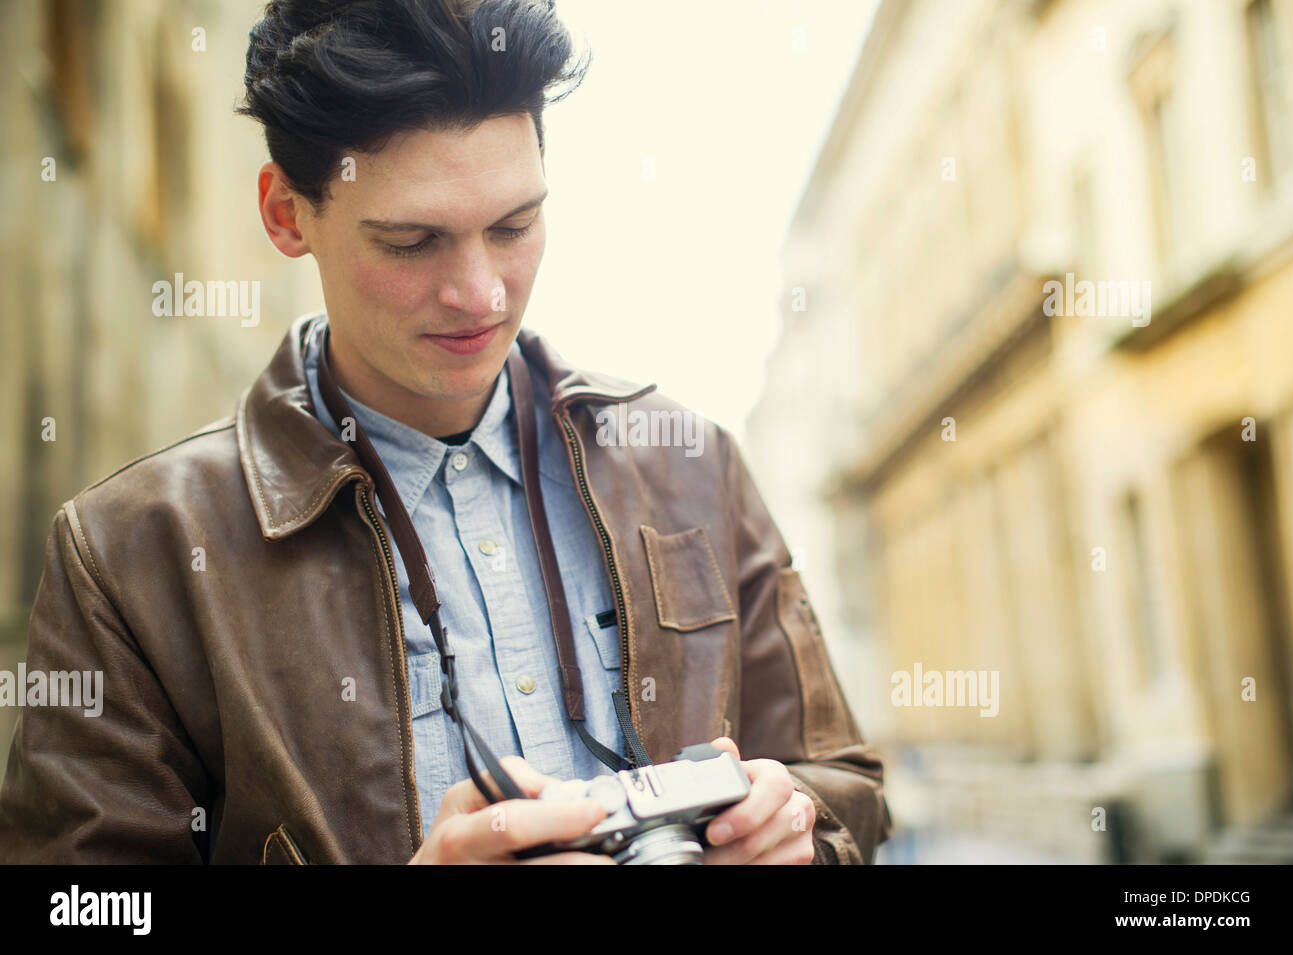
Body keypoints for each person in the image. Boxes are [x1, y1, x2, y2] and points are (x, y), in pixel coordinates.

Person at [0, 0, 890, 865]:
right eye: (412, 241)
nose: (482, 294)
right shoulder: (127, 554)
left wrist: (799, 827)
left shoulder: (696, 465)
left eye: (514, 226)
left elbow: (847, 783)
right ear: (284, 214)